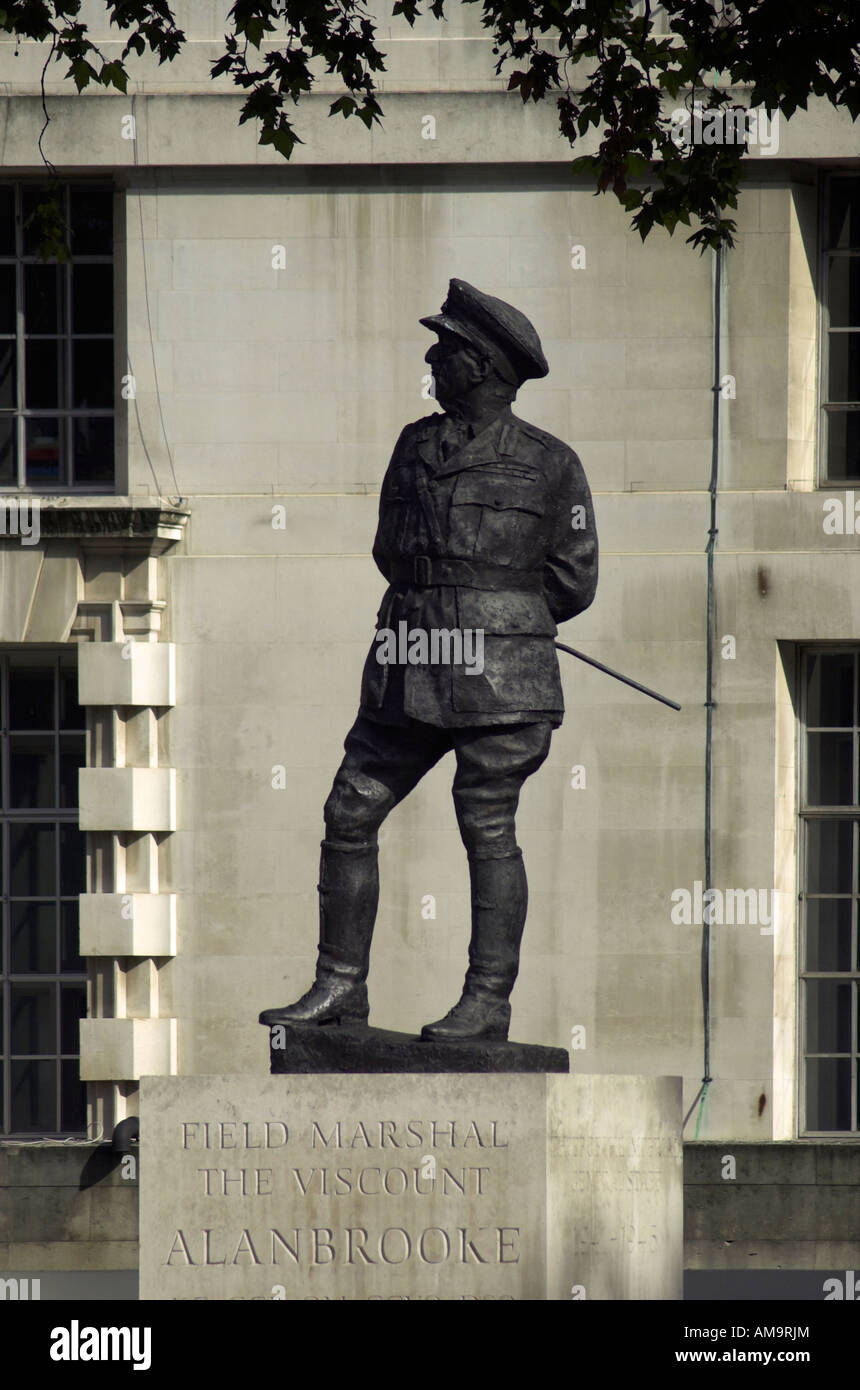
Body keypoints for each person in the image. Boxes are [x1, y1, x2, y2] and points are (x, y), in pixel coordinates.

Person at [260, 278, 598, 1041]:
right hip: (407, 661)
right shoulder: (414, 446)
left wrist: (494, 615)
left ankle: (487, 1000)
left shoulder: (550, 465)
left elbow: (574, 579)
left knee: (486, 822)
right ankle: (340, 986)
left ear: (477, 365)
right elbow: (388, 548)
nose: (431, 357)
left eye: (444, 348)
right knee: (349, 809)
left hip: (501, 677)